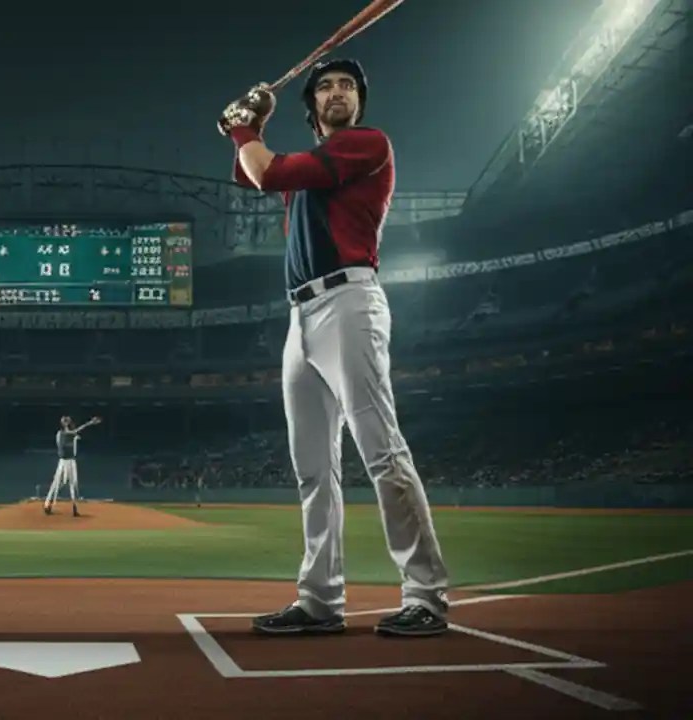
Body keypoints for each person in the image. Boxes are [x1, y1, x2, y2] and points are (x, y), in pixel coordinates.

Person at [219, 59, 450, 637]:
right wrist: (252, 127)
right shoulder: (308, 170)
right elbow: (249, 174)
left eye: (348, 85)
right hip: (300, 315)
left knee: (381, 451)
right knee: (313, 469)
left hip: (349, 302)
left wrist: (243, 127)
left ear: (359, 102)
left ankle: (425, 594)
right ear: (312, 105)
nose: (338, 91)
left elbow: (264, 171)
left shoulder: (365, 144)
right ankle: (320, 599)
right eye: (326, 86)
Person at [43, 415, 101, 516]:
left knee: (72, 483)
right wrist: (89, 423)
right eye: (67, 422)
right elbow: (72, 433)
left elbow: (75, 432)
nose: (69, 424)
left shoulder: (70, 434)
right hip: (63, 461)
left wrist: (88, 424)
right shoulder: (61, 433)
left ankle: (74, 507)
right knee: (57, 482)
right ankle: (48, 504)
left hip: (71, 461)